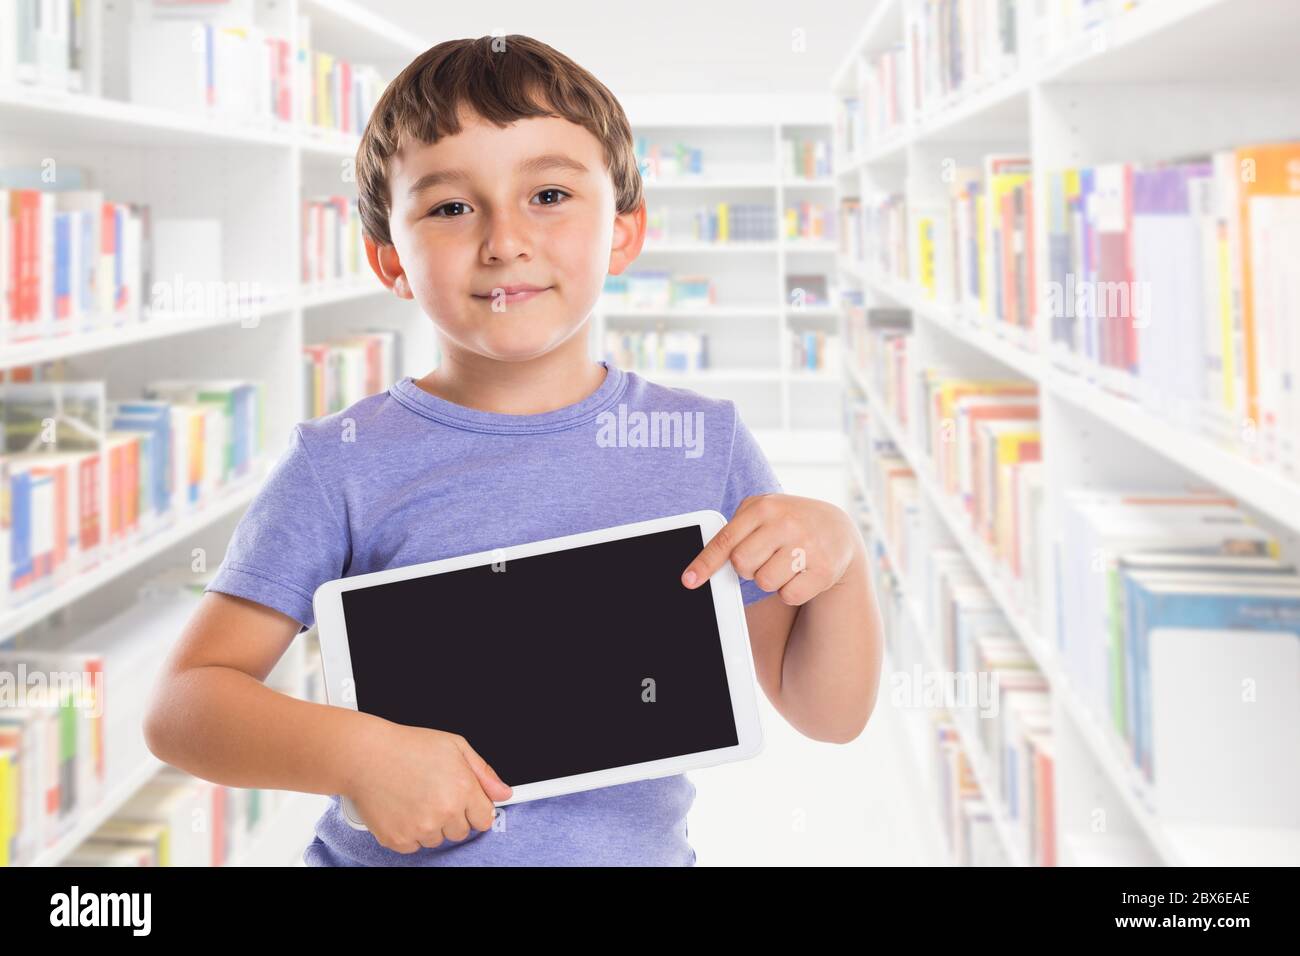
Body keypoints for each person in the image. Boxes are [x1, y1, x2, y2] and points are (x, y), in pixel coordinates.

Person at [143, 34, 882, 867]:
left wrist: (843, 560)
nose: (504, 240)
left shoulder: (702, 445)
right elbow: (182, 707)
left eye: (551, 194)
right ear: (390, 257)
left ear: (624, 233)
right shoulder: (339, 463)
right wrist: (357, 754)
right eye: (451, 207)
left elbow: (827, 712)